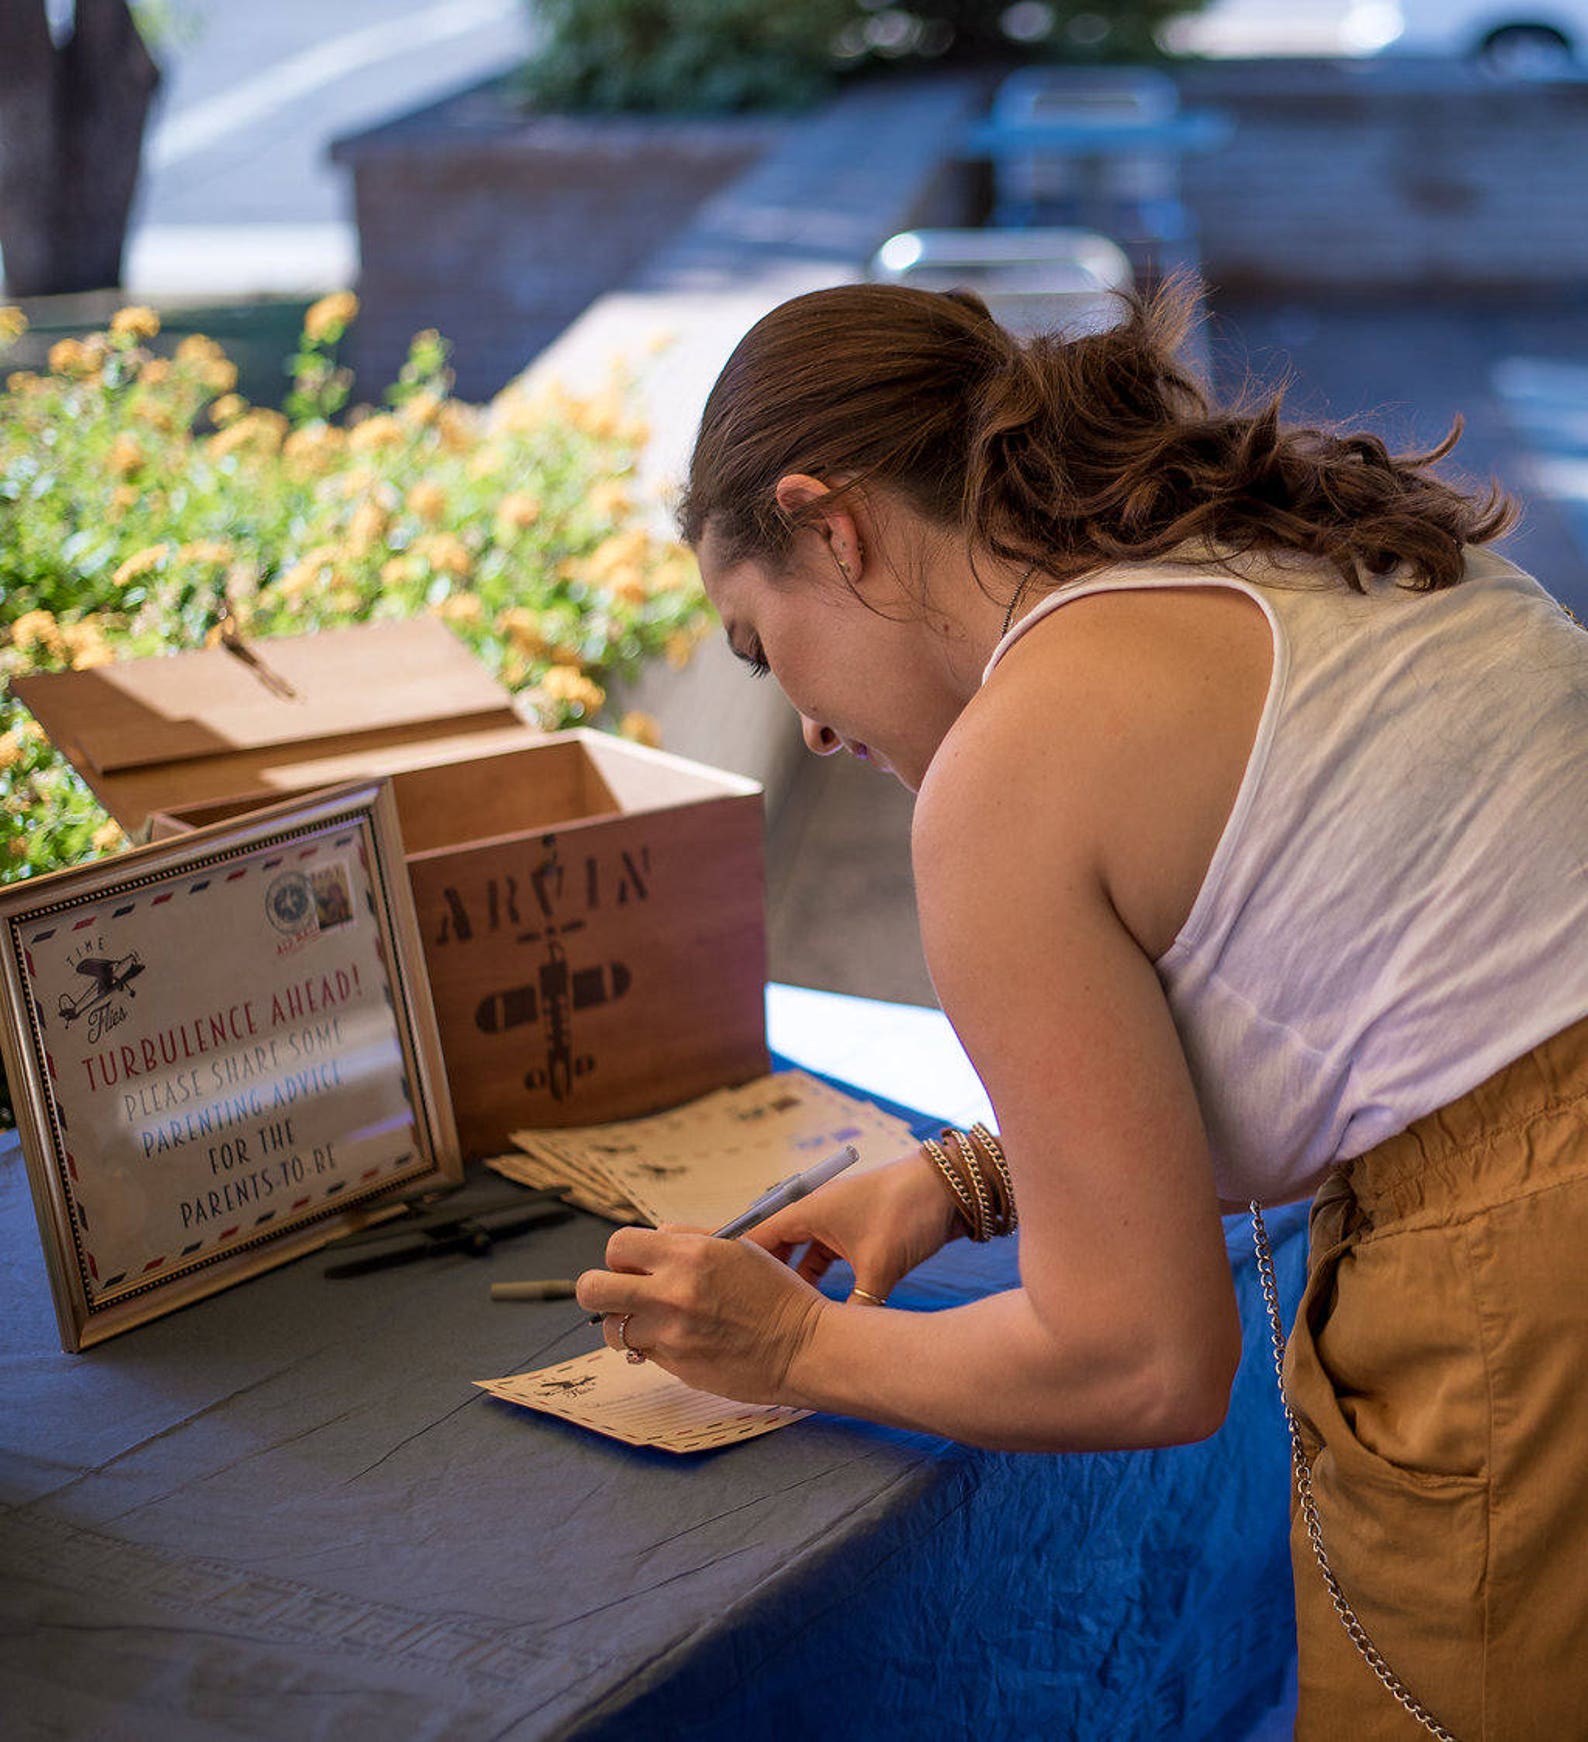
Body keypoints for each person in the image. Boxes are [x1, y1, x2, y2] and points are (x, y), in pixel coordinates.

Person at [573, 280, 1588, 1739]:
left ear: (832, 526)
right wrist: (968, 1176)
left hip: (1535, 1281)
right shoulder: (1275, 538)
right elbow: (1392, 974)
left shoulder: (1015, 765)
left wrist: (792, 1349)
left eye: (756, 639)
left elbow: (1142, 1360)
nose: (807, 722)